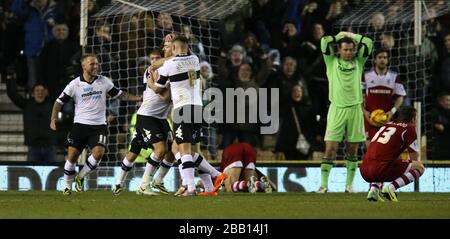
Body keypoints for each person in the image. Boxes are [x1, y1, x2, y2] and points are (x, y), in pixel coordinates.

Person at [50, 53, 142, 195]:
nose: (96, 66)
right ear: (83, 66)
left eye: (97, 64)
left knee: (98, 153)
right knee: (72, 156)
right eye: (92, 64)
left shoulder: (104, 81)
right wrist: (53, 119)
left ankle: (80, 177)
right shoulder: (74, 84)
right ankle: (67, 186)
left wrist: (138, 98)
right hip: (80, 125)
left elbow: (120, 94)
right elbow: (58, 102)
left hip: (99, 126)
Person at [150, 35, 226, 196]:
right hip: (197, 108)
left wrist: (151, 81)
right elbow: (183, 54)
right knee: (183, 148)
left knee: (184, 149)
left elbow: (158, 87)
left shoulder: (169, 64)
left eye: (169, 46)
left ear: (174, 48)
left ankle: (191, 186)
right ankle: (209, 186)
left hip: (182, 108)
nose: (167, 48)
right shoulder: (195, 59)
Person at [111, 49, 172, 196]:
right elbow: (165, 97)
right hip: (147, 116)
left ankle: (119, 183)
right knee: (160, 150)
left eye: (157, 57)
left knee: (168, 151)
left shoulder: (167, 70)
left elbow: (163, 94)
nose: (154, 60)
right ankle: (144, 185)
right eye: (152, 58)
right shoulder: (150, 71)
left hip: (160, 118)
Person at [318, 31, 373, 193]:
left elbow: (368, 42)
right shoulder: (331, 61)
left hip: (355, 109)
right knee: (330, 149)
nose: (348, 52)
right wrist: (339, 36)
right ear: (339, 50)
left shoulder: (359, 62)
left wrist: (351, 35)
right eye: (345, 49)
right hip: (337, 109)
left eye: (351, 50)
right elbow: (324, 41)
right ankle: (323, 185)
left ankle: (349, 186)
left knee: (353, 149)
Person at [360, 106, 425, 202]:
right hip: (379, 169)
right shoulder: (409, 128)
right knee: (419, 167)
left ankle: (373, 190)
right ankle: (391, 188)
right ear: (412, 118)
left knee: (385, 160)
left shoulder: (386, 125)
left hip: (363, 169)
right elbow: (414, 157)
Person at [6, 80, 57, 162]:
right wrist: (9, 79)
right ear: (32, 93)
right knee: (32, 173)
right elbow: (12, 94)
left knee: (53, 173)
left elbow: (63, 93)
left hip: (50, 146)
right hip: (33, 147)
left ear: (46, 93)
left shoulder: (52, 104)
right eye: (37, 90)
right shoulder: (27, 105)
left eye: (42, 90)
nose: (40, 92)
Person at [363, 48, 406, 145]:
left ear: (388, 60)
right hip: (370, 119)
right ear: (374, 60)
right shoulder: (366, 76)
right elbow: (359, 97)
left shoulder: (394, 76)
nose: (382, 60)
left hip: (388, 119)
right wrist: (364, 112)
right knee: (371, 150)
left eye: (385, 57)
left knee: (389, 150)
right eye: (380, 57)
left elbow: (400, 97)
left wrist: (392, 112)